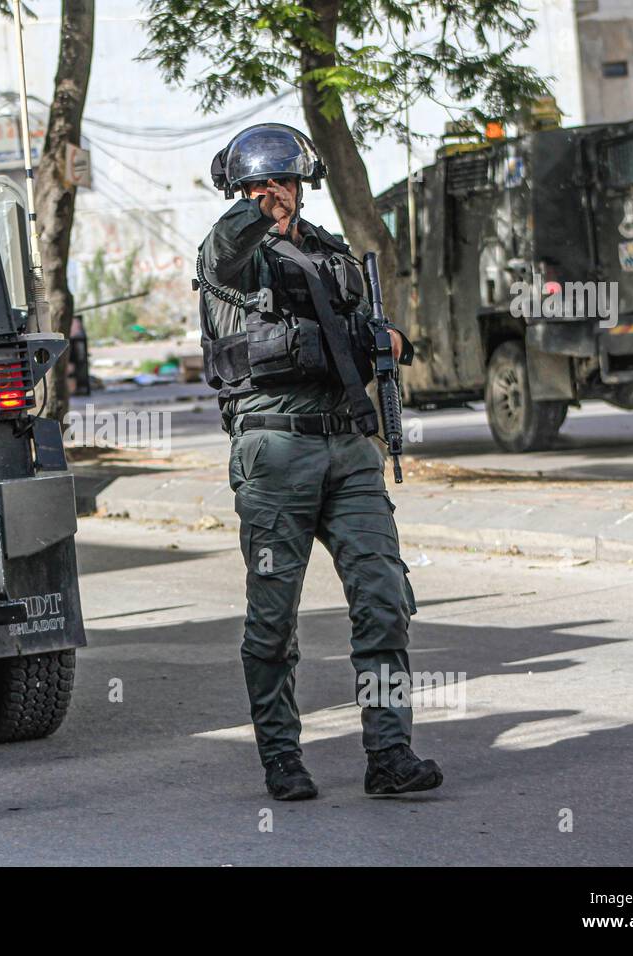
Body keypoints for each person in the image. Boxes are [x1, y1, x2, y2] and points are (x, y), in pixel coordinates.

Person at [196, 123, 443, 800]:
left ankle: (389, 753)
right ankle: (281, 756)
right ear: (237, 191)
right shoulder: (236, 257)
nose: (272, 193)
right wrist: (254, 213)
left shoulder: (333, 256)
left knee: (385, 599)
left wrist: (388, 341)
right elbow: (221, 253)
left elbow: (360, 338)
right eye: (255, 184)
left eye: (282, 182)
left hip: (346, 447)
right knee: (274, 617)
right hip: (274, 450)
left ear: (304, 187)